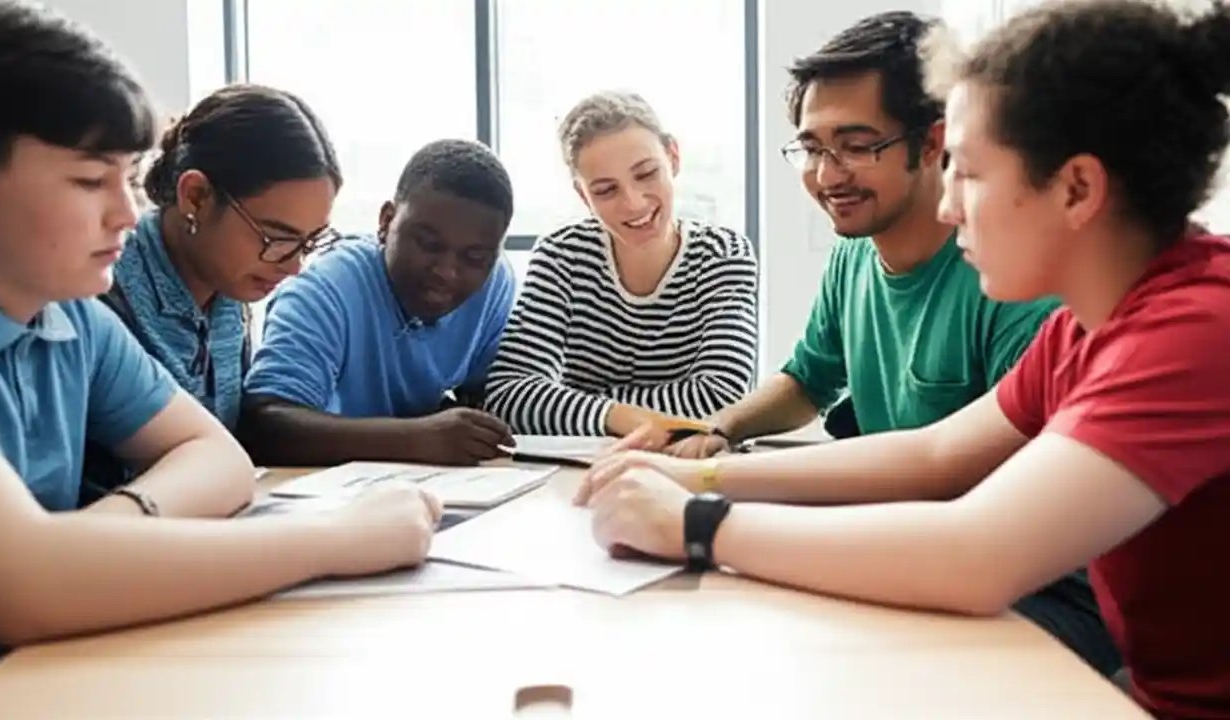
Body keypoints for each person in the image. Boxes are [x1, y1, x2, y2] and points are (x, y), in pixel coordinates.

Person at [578, 1, 1230, 716]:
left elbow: (977, 554)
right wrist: (696, 471)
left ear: (1076, 189)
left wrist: (696, 523)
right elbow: (933, 453)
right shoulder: (1086, 326)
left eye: (971, 173)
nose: (949, 207)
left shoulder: (1196, 330)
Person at [0, 0, 438, 688]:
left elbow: (220, 455)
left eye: (125, 178)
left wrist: (103, 537)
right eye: (91, 181)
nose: (125, 213)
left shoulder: (71, 316)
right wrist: (335, 540)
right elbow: (20, 583)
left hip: (45, 673)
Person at [650, 12, 1057, 460]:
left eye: (857, 146)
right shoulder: (853, 255)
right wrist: (713, 430)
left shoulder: (1012, 282)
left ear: (930, 143)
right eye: (811, 149)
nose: (827, 175)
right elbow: (808, 381)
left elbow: (993, 469)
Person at [81, 84, 342, 502]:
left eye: (310, 242)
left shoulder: (230, 292)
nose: (295, 266)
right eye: (276, 237)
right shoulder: (100, 290)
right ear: (196, 197)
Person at [484, 91, 758, 440]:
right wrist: (619, 416)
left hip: (683, 464)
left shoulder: (723, 254)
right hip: (579, 467)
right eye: (605, 190)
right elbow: (510, 396)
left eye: (646, 174)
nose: (633, 203)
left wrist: (577, 407)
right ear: (583, 196)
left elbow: (723, 396)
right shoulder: (561, 255)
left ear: (673, 157)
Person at [240, 139, 518, 467]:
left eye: (475, 257)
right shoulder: (327, 289)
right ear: (386, 221)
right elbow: (263, 425)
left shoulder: (495, 284)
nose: (446, 271)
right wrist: (418, 439)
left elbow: (486, 395)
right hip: (323, 495)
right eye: (428, 244)